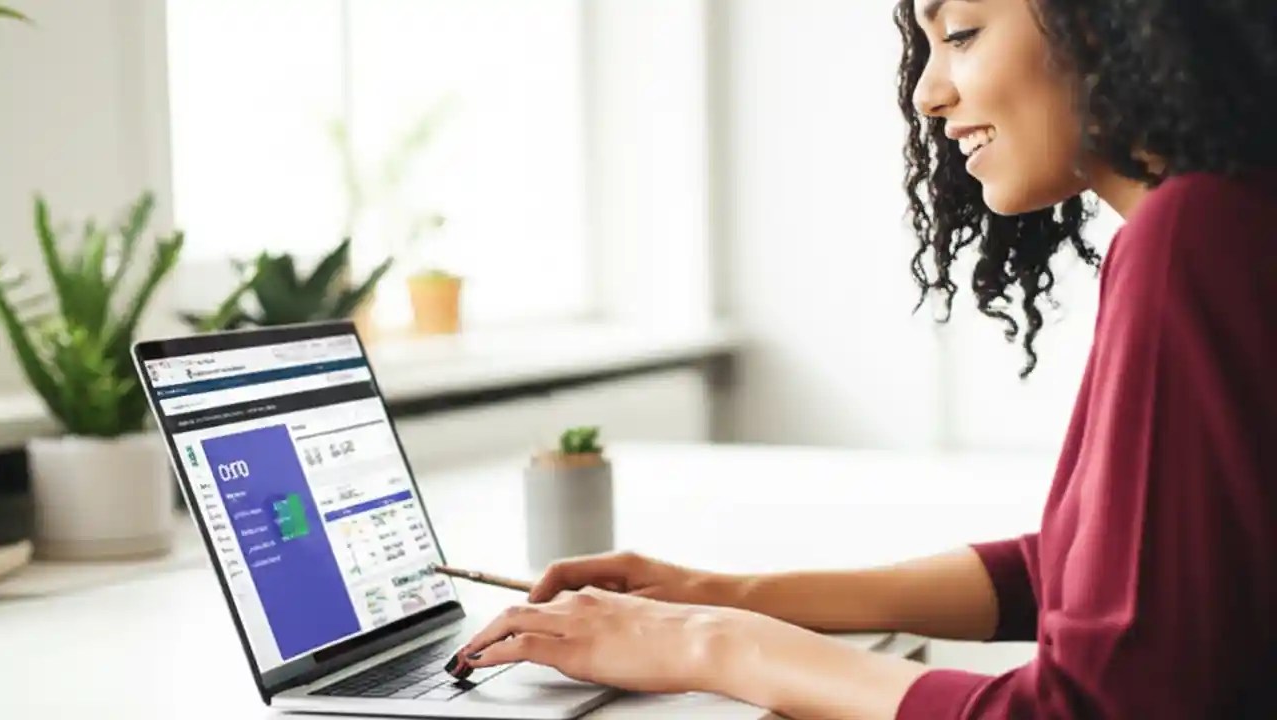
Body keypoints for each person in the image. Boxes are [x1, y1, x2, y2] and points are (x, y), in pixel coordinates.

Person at [446, 0, 1277, 716]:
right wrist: (727, 594)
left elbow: (1095, 708)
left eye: (960, 32)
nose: (926, 92)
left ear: (1101, 19)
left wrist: (716, 645)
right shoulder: (1217, 222)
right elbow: (1074, 568)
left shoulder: (1193, 237)